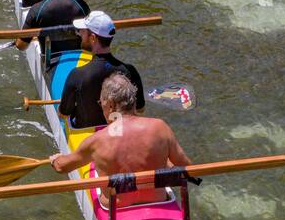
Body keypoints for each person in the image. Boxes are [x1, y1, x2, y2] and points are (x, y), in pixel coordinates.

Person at [48, 74, 189, 207]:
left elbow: (62, 167)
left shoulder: (97, 141)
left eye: (101, 103)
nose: (102, 107)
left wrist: (56, 160)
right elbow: (187, 169)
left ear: (110, 105)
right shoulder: (160, 127)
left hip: (116, 208)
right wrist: (161, 158)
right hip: (158, 200)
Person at [58, 11, 146, 129]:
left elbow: (64, 114)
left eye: (82, 31)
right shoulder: (130, 71)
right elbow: (140, 109)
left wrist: (63, 103)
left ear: (93, 38)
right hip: (120, 132)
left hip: (86, 135)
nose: (79, 34)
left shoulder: (77, 74)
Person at [14, 0, 89, 63]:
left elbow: (21, 46)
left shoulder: (37, 10)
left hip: (52, 64)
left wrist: (21, 39)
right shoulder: (81, 4)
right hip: (80, 60)